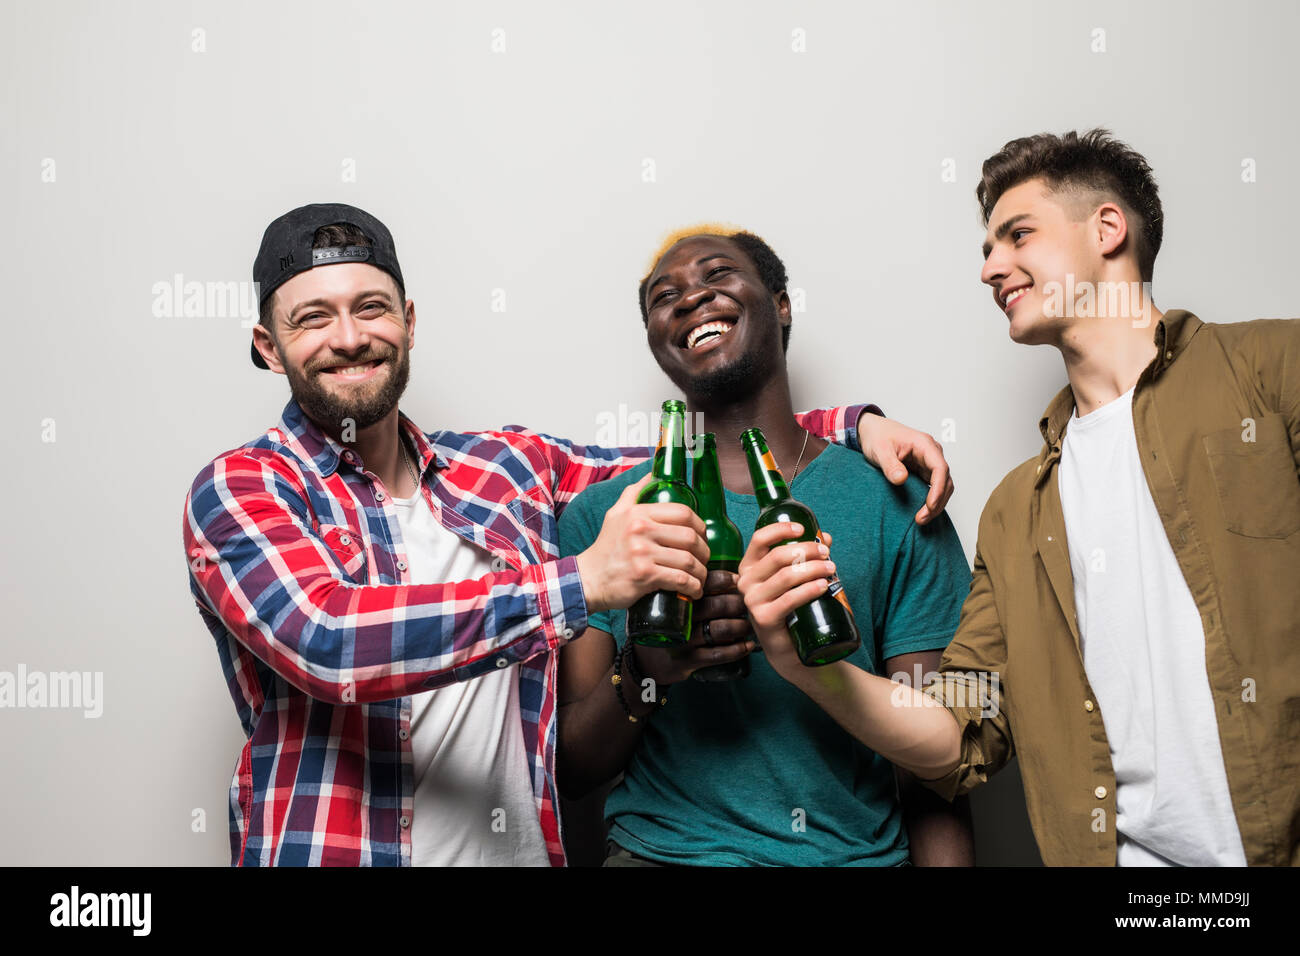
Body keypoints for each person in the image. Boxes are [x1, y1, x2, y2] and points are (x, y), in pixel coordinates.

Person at [181, 202, 956, 866]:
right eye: (312, 318)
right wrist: (584, 582)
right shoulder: (243, 489)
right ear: (265, 344)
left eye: (371, 307)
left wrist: (852, 427)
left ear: (409, 324)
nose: (349, 337)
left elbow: (711, 446)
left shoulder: (506, 468)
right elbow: (330, 639)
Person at [737, 130, 1300, 866]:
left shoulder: (1272, 371)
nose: (990, 268)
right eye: (985, 249)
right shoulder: (1015, 514)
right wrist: (805, 665)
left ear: (1107, 229)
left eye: (1017, 235)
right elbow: (959, 733)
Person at [556, 226, 975, 866]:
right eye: (665, 296)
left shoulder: (896, 499)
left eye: (718, 274)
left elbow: (939, 763)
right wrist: (649, 670)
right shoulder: (608, 518)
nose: (691, 297)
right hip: (664, 856)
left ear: (781, 303)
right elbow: (574, 768)